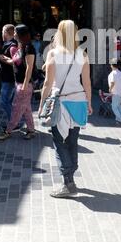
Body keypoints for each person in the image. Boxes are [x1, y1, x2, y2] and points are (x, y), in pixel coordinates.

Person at [38, 20, 93, 198]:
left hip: (60, 102)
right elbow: (87, 82)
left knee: (59, 142)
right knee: (72, 140)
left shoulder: (53, 53)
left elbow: (47, 83)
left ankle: (68, 181)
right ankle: (70, 176)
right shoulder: (83, 54)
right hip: (78, 101)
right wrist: (90, 102)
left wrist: (41, 104)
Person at [0, 25, 36, 141]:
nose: (13, 34)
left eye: (15, 32)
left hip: (24, 84)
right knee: (27, 109)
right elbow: (16, 62)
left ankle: (8, 131)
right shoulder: (21, 46)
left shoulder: (29, 47)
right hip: (18, 83)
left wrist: (24, 84)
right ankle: (31, 130)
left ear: (20, 33)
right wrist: (6, 59)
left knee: (16, 110)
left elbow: (29, 68)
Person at [0, 24, 18, 126]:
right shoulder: (7, 44)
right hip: (7, 77)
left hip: (9, 78)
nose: (2, 34)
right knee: (9, 101)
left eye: (3, 31)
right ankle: (13, 121)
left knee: (3, 101)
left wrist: (3, 59)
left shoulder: (13, 45)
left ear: (6, 32)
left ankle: (13, 122)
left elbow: (16, 62)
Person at [108, 59, 121, 125]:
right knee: (119, 106)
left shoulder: (113, 73)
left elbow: (112, 82)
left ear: (112, 65)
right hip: (120, 92)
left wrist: (110, 89)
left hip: (115, 92)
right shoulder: (120, 73)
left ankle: (119, 119)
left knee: (114, 107)